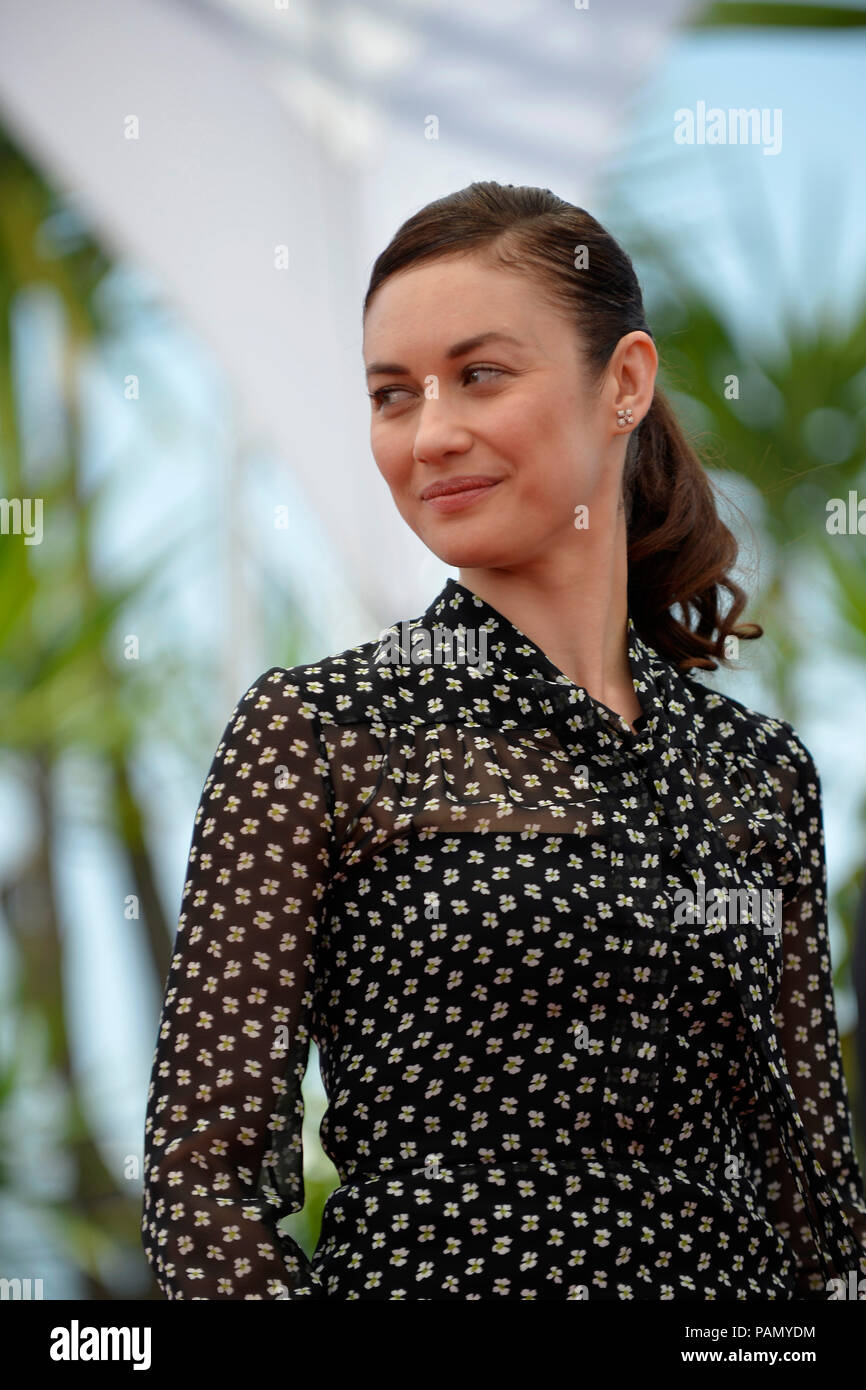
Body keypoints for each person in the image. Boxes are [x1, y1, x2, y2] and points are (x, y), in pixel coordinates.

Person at [141, 180, 866, 1300]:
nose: (430, 435)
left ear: (622, 381)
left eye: (479, 375)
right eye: (392, 395)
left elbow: (812, 1201)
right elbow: (203, 1187)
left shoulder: (758, 772)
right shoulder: (321, 733)